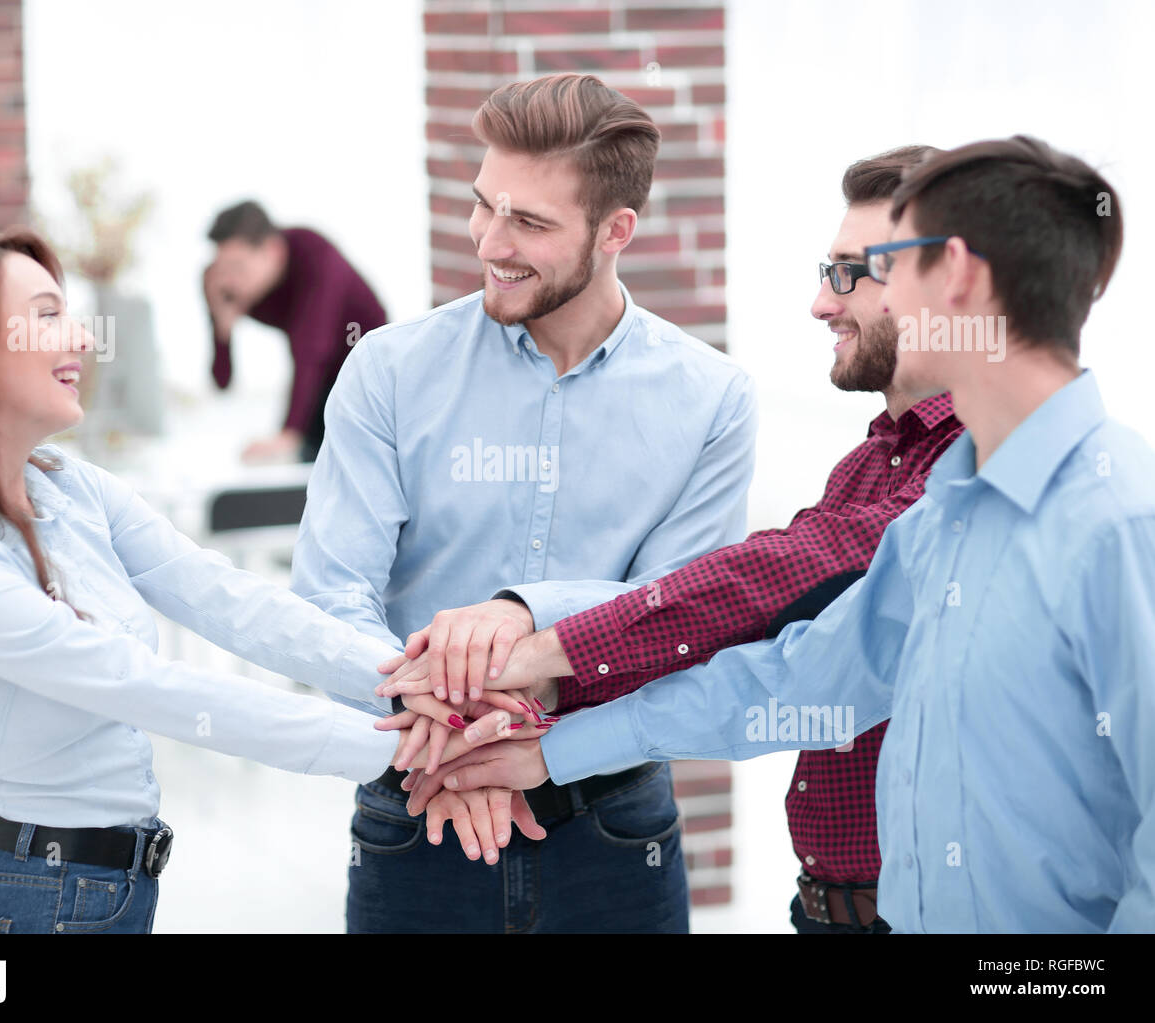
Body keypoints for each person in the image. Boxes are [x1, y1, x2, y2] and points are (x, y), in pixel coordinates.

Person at [396, 136, 1154, 934]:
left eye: (882, 271)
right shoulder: (949, 516)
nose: (841, 304)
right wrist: (545, 752)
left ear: (958, 275)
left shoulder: (1119, 524)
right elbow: (796, 684)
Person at [0, 229, 493, 934]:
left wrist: (413, 680)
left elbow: (226, 596)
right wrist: (416, 747)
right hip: (36, 903)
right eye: (45, 315)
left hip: (106, 894)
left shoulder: (69, 487)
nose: (80, 338)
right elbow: (153, 687)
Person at [290, 72, 758, 933]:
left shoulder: (712, 400)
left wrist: (522, 616)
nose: (490, 243)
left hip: (613, 830)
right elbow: (328, 595)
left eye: (530, 223)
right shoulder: (388, 373)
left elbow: (686, 615)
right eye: (484, 206)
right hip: (416, 808)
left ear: (617, 230)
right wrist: (437, 730)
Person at [203, 201, 386, 463]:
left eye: (239, 267)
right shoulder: (220, 283)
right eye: (223, 267)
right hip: (313, 360)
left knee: (327, 450)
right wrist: (222, 329)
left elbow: (311, 348)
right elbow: (222, 382)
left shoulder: (313, 255)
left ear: (273, 251)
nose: (230, 280)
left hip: (360, 349)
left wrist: (287, 435)